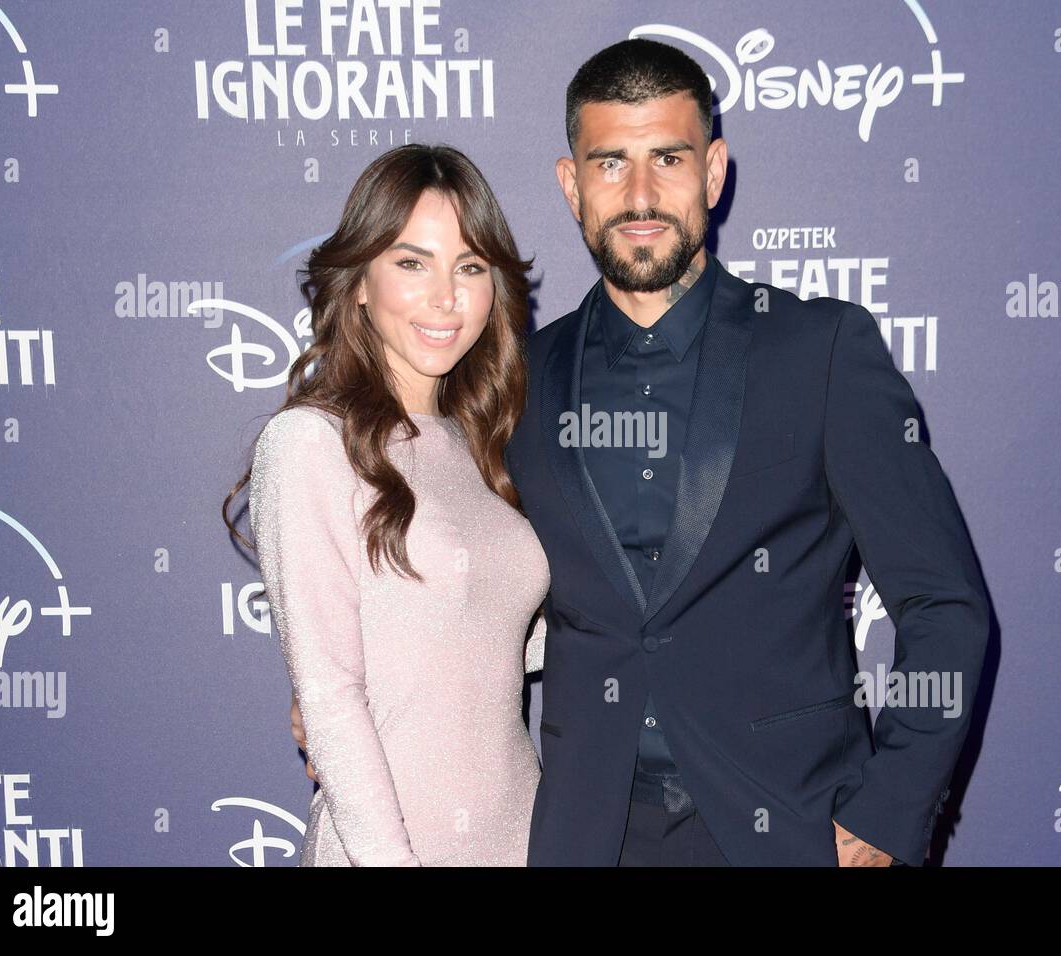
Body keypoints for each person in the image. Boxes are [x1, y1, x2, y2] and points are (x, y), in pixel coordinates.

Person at [295, 38, 991, 868]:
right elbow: (471, 579)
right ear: (571, 184)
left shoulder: (821, 351)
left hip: (793, 825)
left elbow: (945, 603)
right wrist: (356, 690)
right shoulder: (515, 378)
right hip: (585, 835)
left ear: (715, 169)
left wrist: (889, 810)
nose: (640, 194)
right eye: (609, 163)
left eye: (669, 157)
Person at [224, 143, 548, 866]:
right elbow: (332, 696)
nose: (447, 297)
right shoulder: (309, 444)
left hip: (524, 836)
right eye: (412, 262)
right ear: (360, 281)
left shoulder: (482, 445)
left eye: (470, 267)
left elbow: (487, 641)